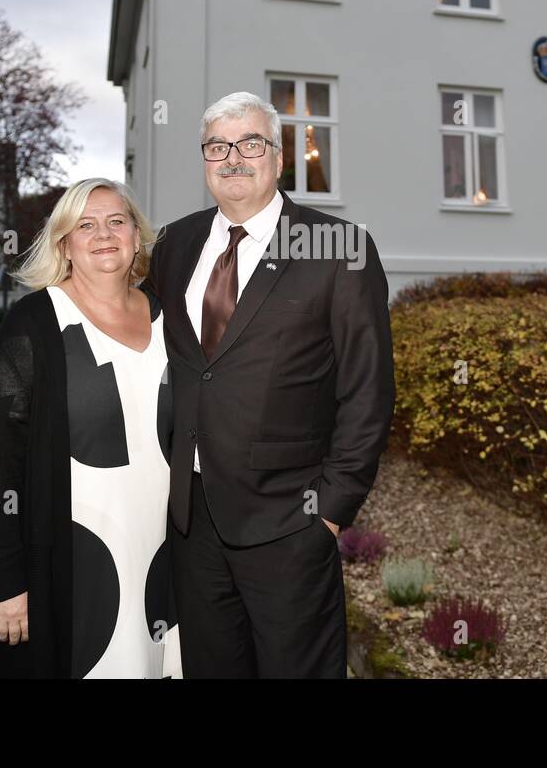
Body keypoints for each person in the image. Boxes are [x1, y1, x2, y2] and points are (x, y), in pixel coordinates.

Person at [143, 91, 395, 677]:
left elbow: (368, 391)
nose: (233, 158)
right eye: (217, 146)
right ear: (204, 159)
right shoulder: (174, 245)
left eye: (250, 143)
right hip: (192, 521)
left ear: (279, 157)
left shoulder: (341, 249)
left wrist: (330, 512)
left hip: (290, 522)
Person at [0, 177, 181, 678]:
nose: (103, 234)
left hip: (163, 552)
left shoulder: (168, 318)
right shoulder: (33, 324)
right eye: (85, 225)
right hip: (72, 558)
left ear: (136, 236)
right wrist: (3, 580)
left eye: (116, 221)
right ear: (64, 244)